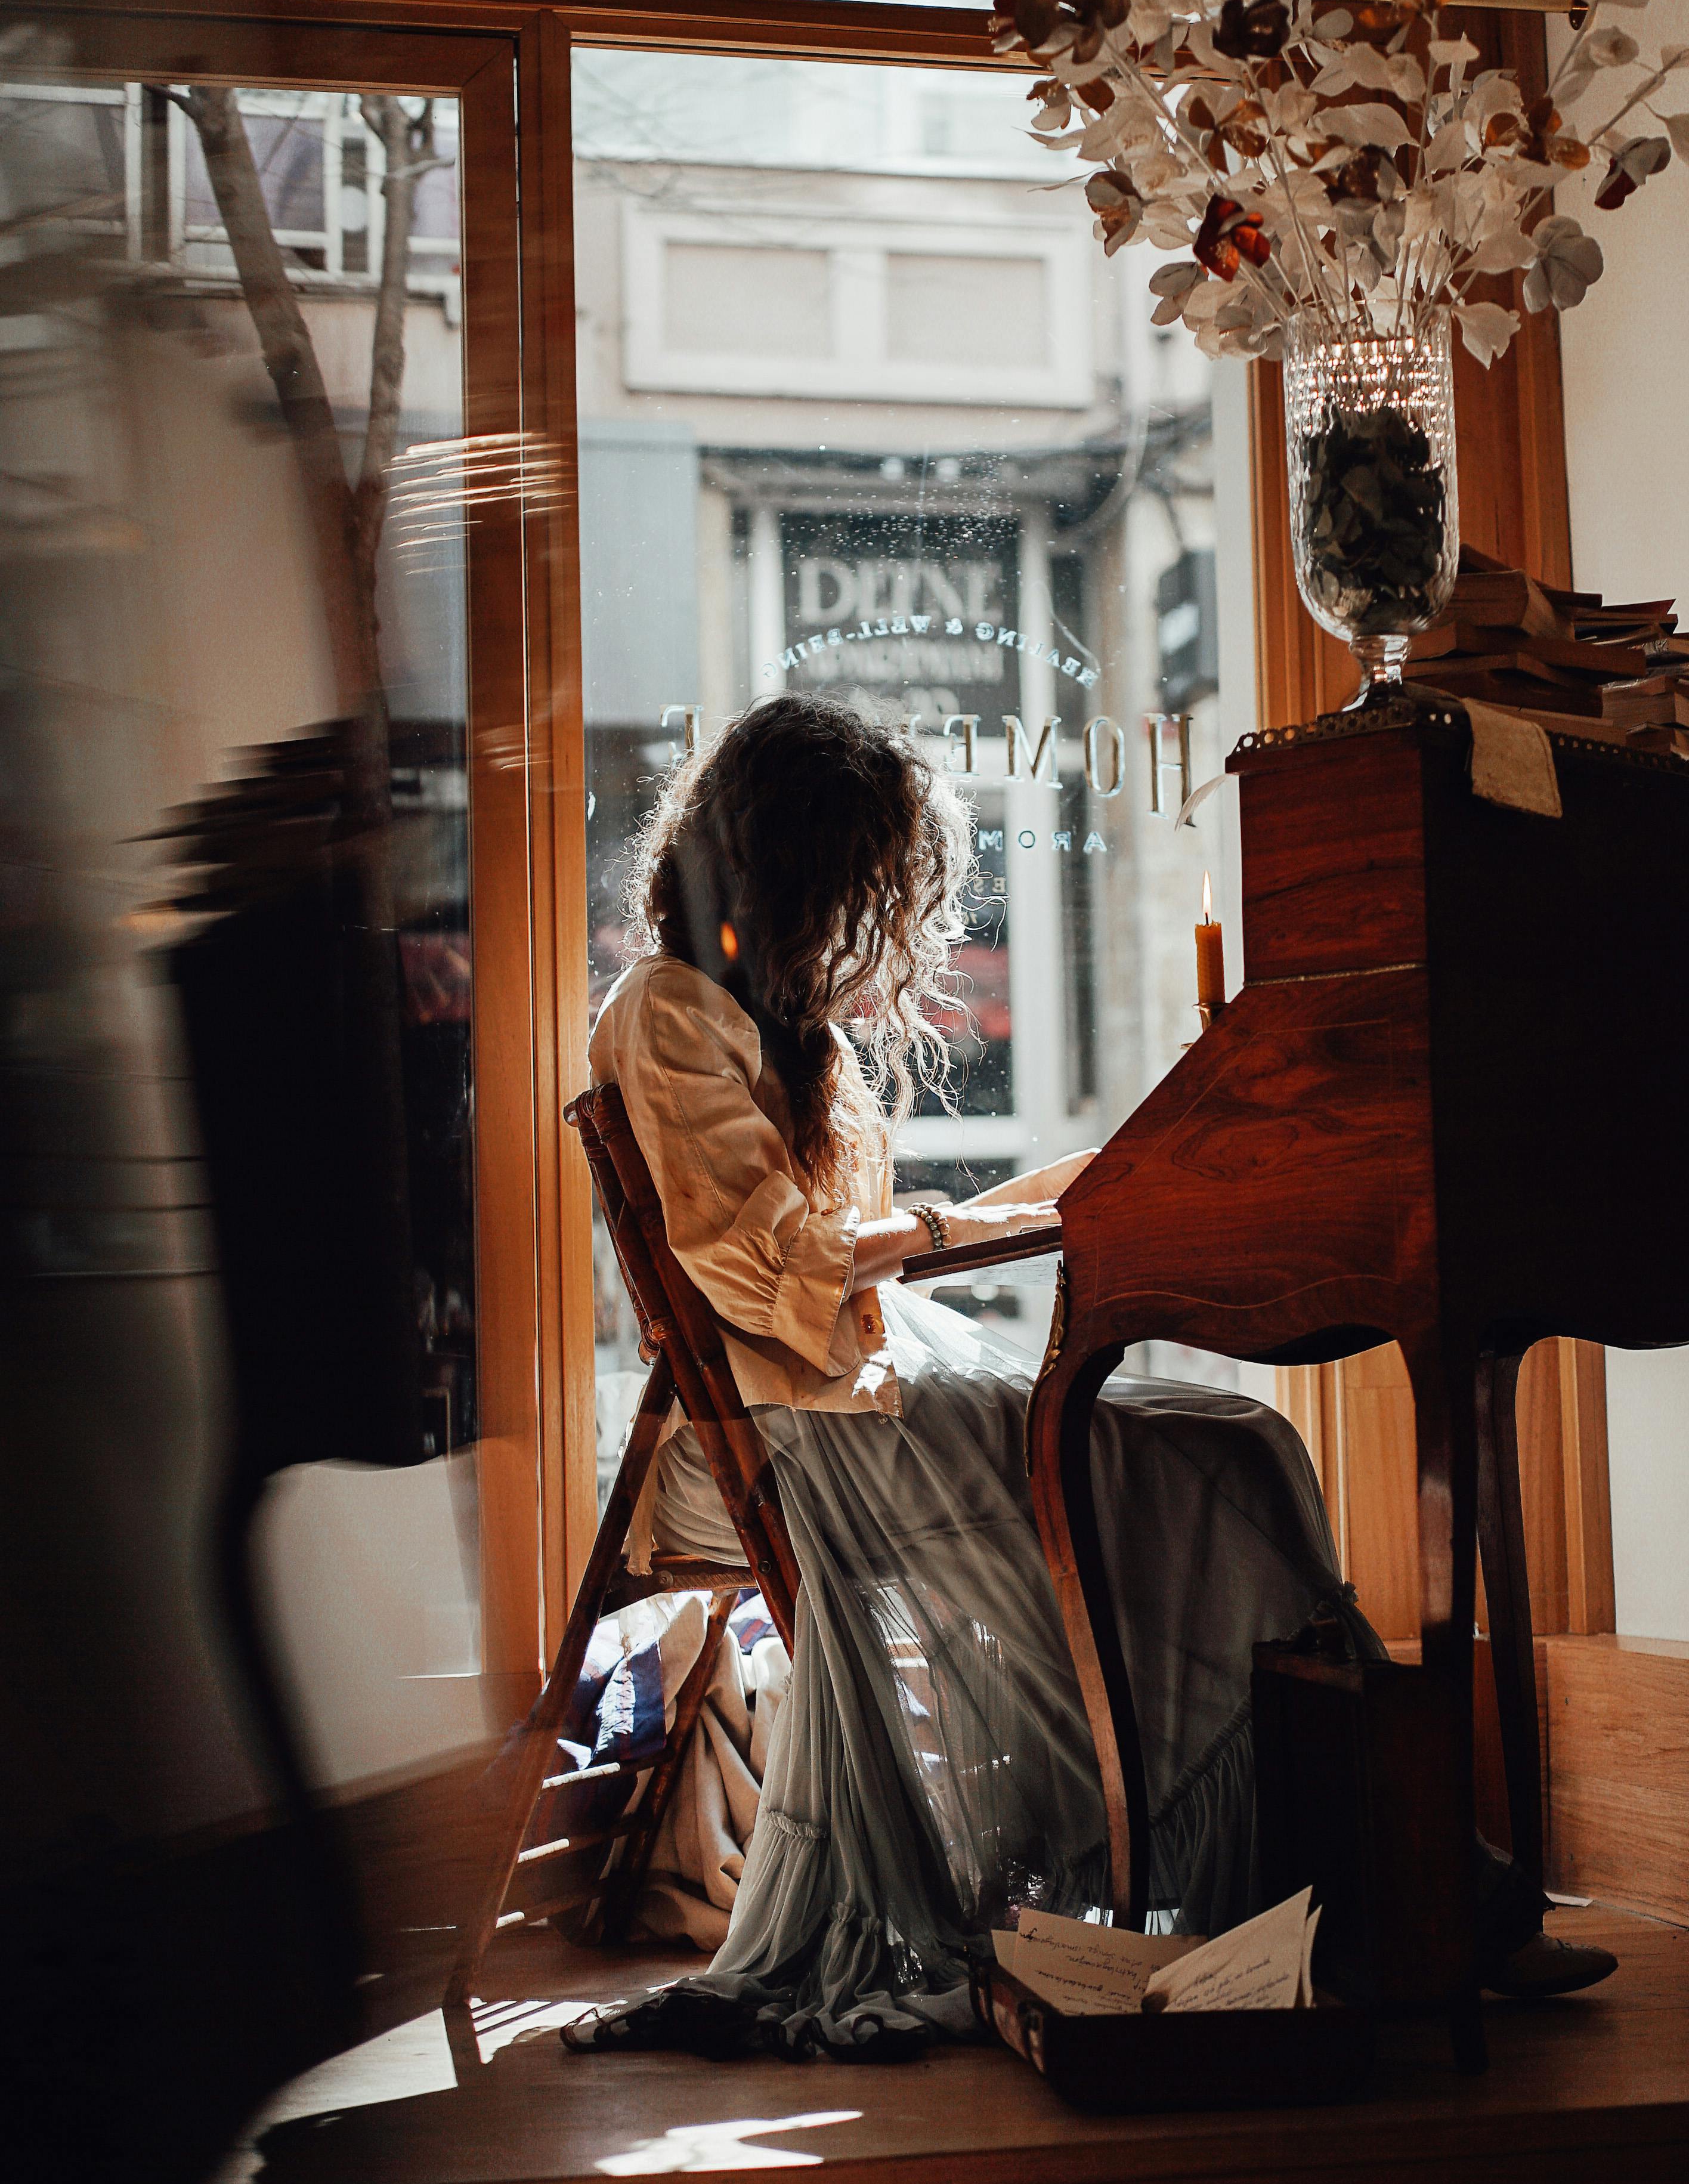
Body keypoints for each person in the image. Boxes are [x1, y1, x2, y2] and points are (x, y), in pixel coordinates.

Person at [570, 695, 1610, 2059]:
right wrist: (984, 1220)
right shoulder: (666, 1008)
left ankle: (1385, 1874)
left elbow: (843, 1260)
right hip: (805, 1424)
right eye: (861, 883)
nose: (872, 924)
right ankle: (1399, 1883)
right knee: (1218, 1460)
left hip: (858, 1383)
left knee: (1244, 1442)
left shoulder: (768, 1024)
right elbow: (772, 1264)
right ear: (791, 867)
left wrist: (1081, 1189)